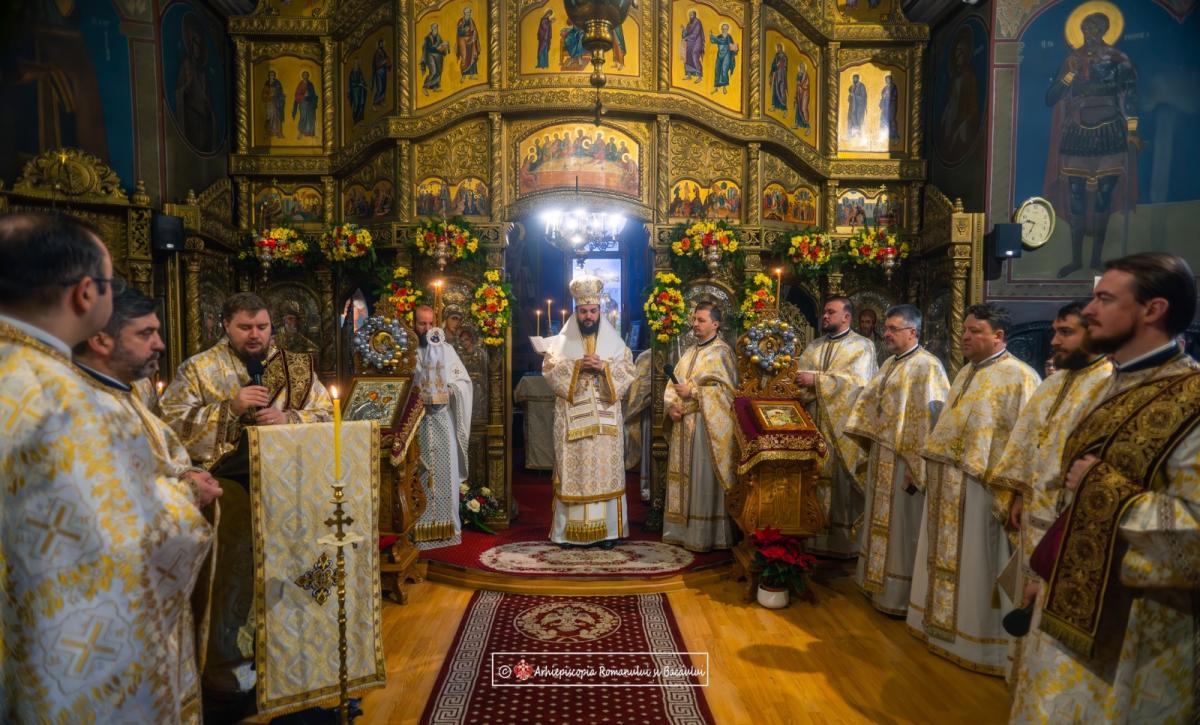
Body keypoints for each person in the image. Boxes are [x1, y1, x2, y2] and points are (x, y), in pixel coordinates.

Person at [0, 211, 212, 721]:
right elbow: (120, 544)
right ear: (86, 293)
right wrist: (187, 498)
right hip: (62, 664)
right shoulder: (67, 399)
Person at [1014, 253, 1199, 722]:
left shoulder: (1192, 399)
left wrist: (1106, 490)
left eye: (1104, 298)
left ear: (1152, 310)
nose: (1089, 310)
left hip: (1137, 633)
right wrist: (1046, 571)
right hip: (1063, 608)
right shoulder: (1103, 387)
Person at [159, 291, 332, 713]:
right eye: (245, 327)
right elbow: (169, 426)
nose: (255, 335)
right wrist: (228, 409)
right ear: (225, 326)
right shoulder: (199, 368)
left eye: (262, 327)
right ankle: (229, 659)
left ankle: (294, 649)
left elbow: (329, 416)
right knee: (234, 544)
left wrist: (290, 419)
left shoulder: (296, 366)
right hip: (228, 481)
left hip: (289, 482)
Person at [907, 303, 1040, 675]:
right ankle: (938, 629)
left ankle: (981, 645)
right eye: (964, 329)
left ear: (998, 336)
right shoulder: (966, 371)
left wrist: (1018, 493)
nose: (965, 336)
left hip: (985, 488)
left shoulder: (1020, 377)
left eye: (975, 330)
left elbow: (1028, 442)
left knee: (978, 562)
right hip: (949, 485)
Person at [987, 302, 1112, 689]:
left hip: (1071, 521)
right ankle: (1023, 681)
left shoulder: (1109, 383)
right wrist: (1020, 494)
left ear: (1094, 331)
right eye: (1055, 331)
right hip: (1035, 514)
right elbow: (1028, 443)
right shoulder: (1054, 383)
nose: (1054, 341)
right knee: (1030, 602)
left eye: (1066, 332)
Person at [841, 305, 949, 615]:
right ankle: (874, 585)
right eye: (886, 328)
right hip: (882, 455)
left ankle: (899, 596)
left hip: (906, 463)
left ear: (913, 332)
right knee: (880, 523)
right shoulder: (890, 364)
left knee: (902, 529)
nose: (886, 333)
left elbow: (933, 421)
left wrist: (919, 467)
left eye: (893, 328)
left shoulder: (927, 367)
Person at [1044, 12, 1140, 278]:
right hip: (1077, 133)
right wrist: (1070, 75)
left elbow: (1131, 96)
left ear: (1106, 29)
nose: (1091, 32)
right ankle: (1076, 259)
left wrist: (1131, 131)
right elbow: (1051, 98)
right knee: (1075, 198)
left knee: (1103, 199)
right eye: (1087, 27)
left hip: (1110, 131)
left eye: (1096, 27)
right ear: (1081, 30)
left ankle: (1097, 259)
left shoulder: (1119, 60)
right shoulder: (1070, 61)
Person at [543, 275, 635, 548]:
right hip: (572, 420)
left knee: (605, 473)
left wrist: (604, 368)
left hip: (605, 422)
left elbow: (628, 370)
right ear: (576, 311)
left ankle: (607, 533)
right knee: (575, 474)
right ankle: (568, 533)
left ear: (599, 311)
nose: (588, 316)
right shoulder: (561, 343)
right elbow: (549, 371)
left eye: (593, 311)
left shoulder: (615, 343)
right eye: (583, 311)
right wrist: (576, 367)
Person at [794, 296, 878, 558]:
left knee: (840, 482)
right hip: (814, 423)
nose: (825, 317)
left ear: (847, 317)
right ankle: (814, 537)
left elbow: (858, 384)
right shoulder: (815, 346)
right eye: (824, 312)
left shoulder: (862, 346)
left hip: (842, 429)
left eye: (831, 312)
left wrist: (816, 381)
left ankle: (843, 543)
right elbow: (799, 379)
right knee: (815, 479)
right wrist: (805, 385)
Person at [663, 303, 738, 552]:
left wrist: (694, 391)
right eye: (694, 319)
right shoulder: (689, 352)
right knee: (683, 480)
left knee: (701, 479)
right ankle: (680, 532)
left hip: (705, 429)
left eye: (701, 320)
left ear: (715, 324)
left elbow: (727, 392)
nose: (695, 324)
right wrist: (671, 406)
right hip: (683, 425)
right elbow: (673, 384)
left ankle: (705, 535)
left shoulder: (722, 353)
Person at [410, 305, 473, 549]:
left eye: (429, 324)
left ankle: (447, 528)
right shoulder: (408, 352)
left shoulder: (447, 350)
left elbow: (463, 382)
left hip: (442, 421)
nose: (426, 329)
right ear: (413, 324)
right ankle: (418, 528)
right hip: (416, 423)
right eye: (421, 324)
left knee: (445, 472)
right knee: (419, 474)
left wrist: (450, 390)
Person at [420, 23, 450, 94]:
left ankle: (435, 87)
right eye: (434, 28)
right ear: (431, 29)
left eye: (436, 28)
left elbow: (441, 46)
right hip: (430, 56)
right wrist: (438, 48)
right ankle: (425, 87)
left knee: (439, 71)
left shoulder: (439, 37)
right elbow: (429, 48)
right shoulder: (428, 38)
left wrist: (445, 46)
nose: (435, 29)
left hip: (438, 56)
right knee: (433, 72)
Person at [292, 70, 318, 139]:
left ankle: (310, 132)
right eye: (304, 75)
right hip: (303, 102)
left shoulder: (310, 84)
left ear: (308, 76)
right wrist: (304, 95)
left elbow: (313, 93)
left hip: (310, 103)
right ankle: (301, 132)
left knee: (310, 117)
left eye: (307, 75)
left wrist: (311, 96)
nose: (305, 76)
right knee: (303, 117)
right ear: (302, 76)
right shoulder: (300, 84)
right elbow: (297, 95)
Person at [456, 6, 480, 80]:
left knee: (472, 57)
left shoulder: (471, 21)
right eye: (467, 12)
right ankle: (463, 75)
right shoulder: (461, 21)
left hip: (471, 41)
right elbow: (459, 32)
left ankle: (472, 75)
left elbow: (474, 30)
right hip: (463, 42)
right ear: (464, 13)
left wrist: (474, 34)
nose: (468, 14)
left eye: (469, 12)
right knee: (464, 58)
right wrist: (464, 30)